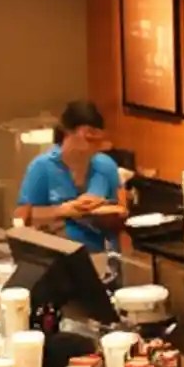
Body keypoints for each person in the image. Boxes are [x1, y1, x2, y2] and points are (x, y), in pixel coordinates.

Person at [16, 100, 126, 253]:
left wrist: (98, 210)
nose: (93, 145)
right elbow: (22, 217)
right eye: (88, 137)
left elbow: (121, 213)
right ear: (68, 132)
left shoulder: (106, 165)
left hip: (101, 253)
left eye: (98, 139)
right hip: (57, 252)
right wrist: (64, 210)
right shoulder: (42, 167)